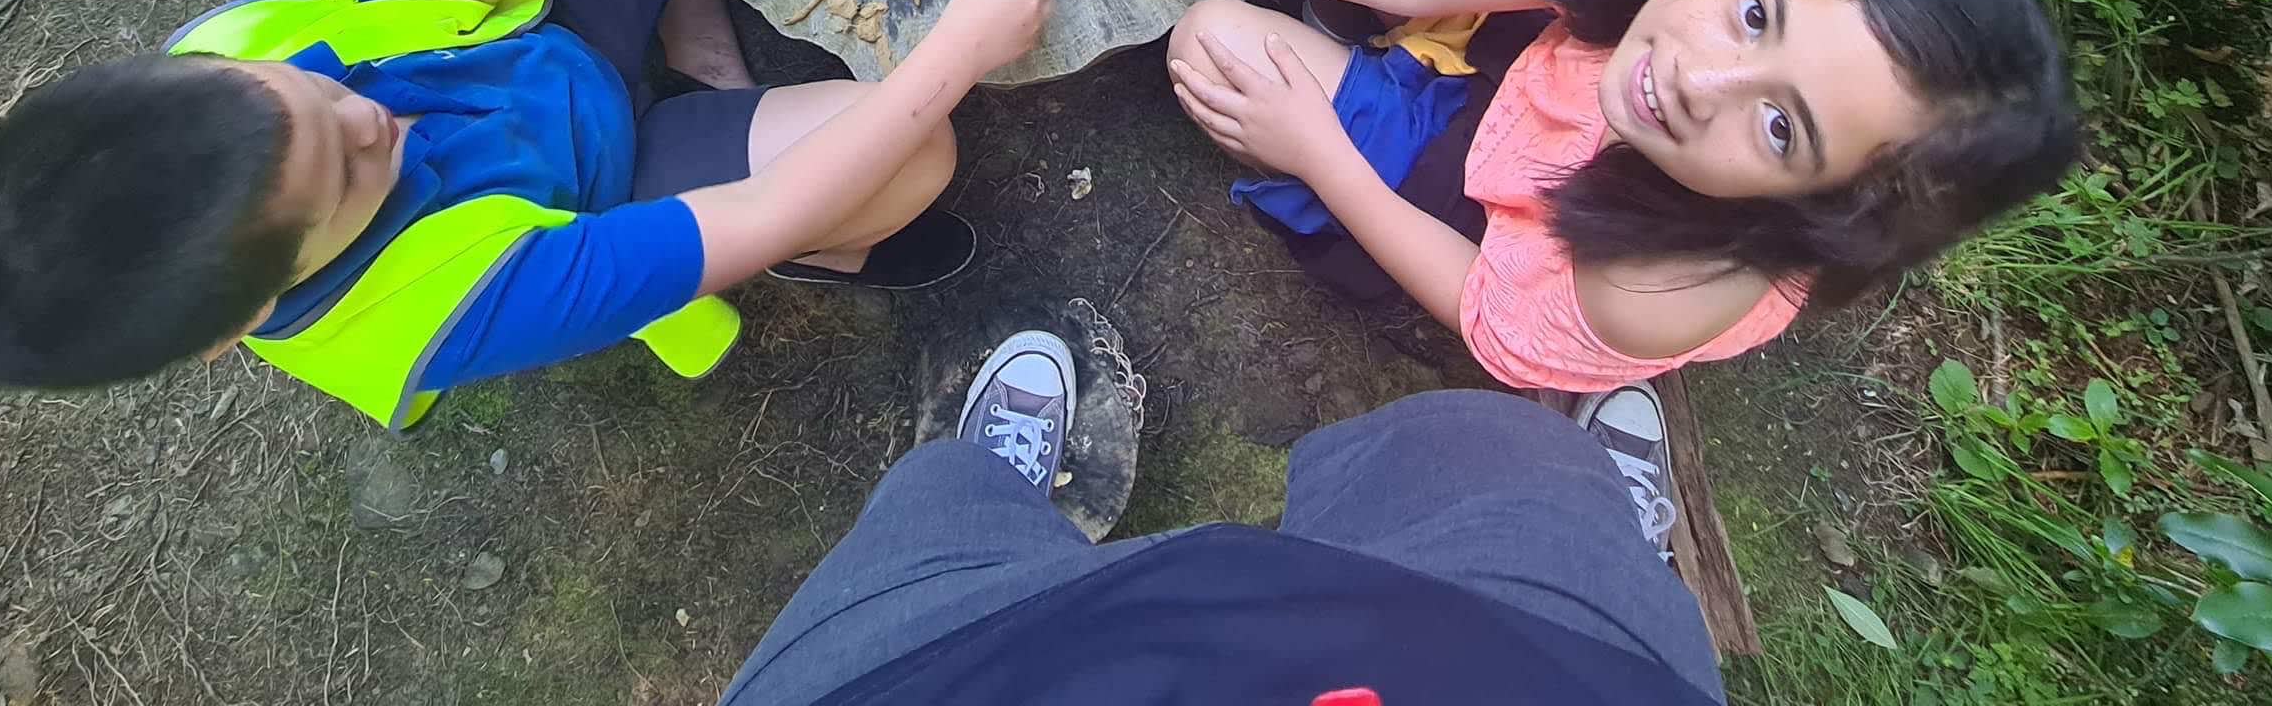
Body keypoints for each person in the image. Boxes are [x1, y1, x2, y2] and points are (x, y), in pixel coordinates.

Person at [0, 0, 1060, 428]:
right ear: (238, 323)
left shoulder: (231, 52)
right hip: (610, 185)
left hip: (553, 50)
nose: (369, 114)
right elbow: (759, 211)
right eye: (350, 165)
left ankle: (687, 45)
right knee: (916, 153)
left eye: (312, 92)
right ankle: (830, 240)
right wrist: (952, 53)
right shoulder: (432, 311)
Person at [1070, 0, 2081, 396]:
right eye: (1754, 11)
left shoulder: (1649, 282)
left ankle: (1370, 89)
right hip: (1551, 58)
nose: (1700, 77)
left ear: (1821, 205)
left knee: (1213, 36)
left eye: (1781, 127)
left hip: (1490, 208)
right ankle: (1388, 48)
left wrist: (1320, 148)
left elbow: (1481, 309)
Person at [716, 328, 1723, 704]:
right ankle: (1604, 534)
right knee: (1517, 484)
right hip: (1519, 664)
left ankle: (988, 514)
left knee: (929, 532)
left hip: (980, 671)